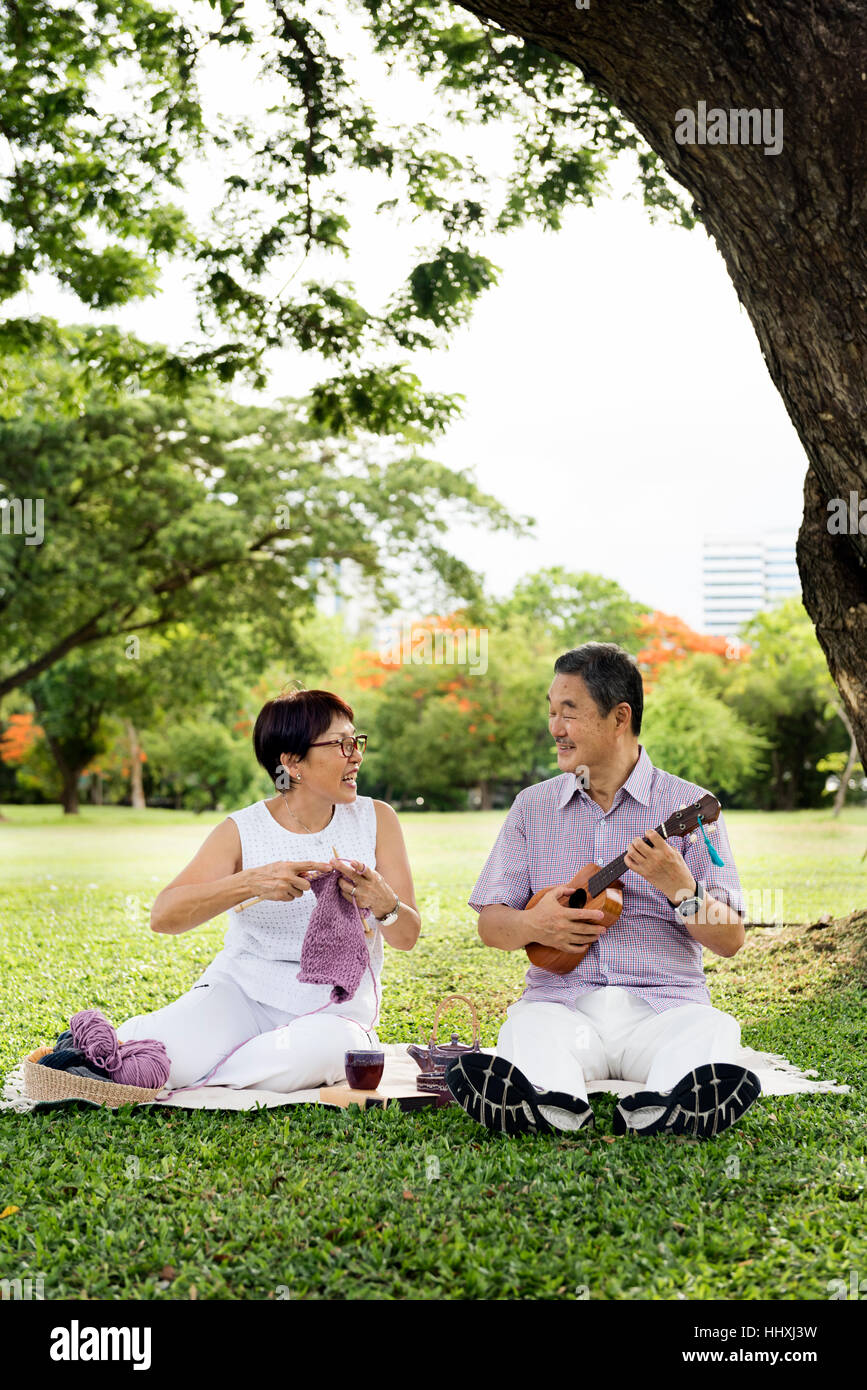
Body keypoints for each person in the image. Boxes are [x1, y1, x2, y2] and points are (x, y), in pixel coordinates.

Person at [446, 642, 760, 1140]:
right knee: (524, 1027)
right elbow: (491, 925)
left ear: (620, 717)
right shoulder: (533, 807)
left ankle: (657, 1109)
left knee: (713, 1029)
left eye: (569, 713)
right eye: (551, 712)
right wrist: (536, 924)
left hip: (664, 1008)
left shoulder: (688, 807)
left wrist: (682, 888)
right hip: (564, 1006)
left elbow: (730, 940)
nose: (555, 728)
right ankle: (555, 1106)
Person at [117, 689, 420, 1092]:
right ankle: (179, 1054)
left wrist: (385, 904)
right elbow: (164, 916)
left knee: (334, 1052)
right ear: (292, 762)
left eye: (356, 741)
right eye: (341, 744)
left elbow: (408, 936)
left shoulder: (377, 819)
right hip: (241, 993)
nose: (356, 755)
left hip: (333, 1011)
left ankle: (204, 1069)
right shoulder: (242, 830)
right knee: (161, 1051)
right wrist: (249, 882)